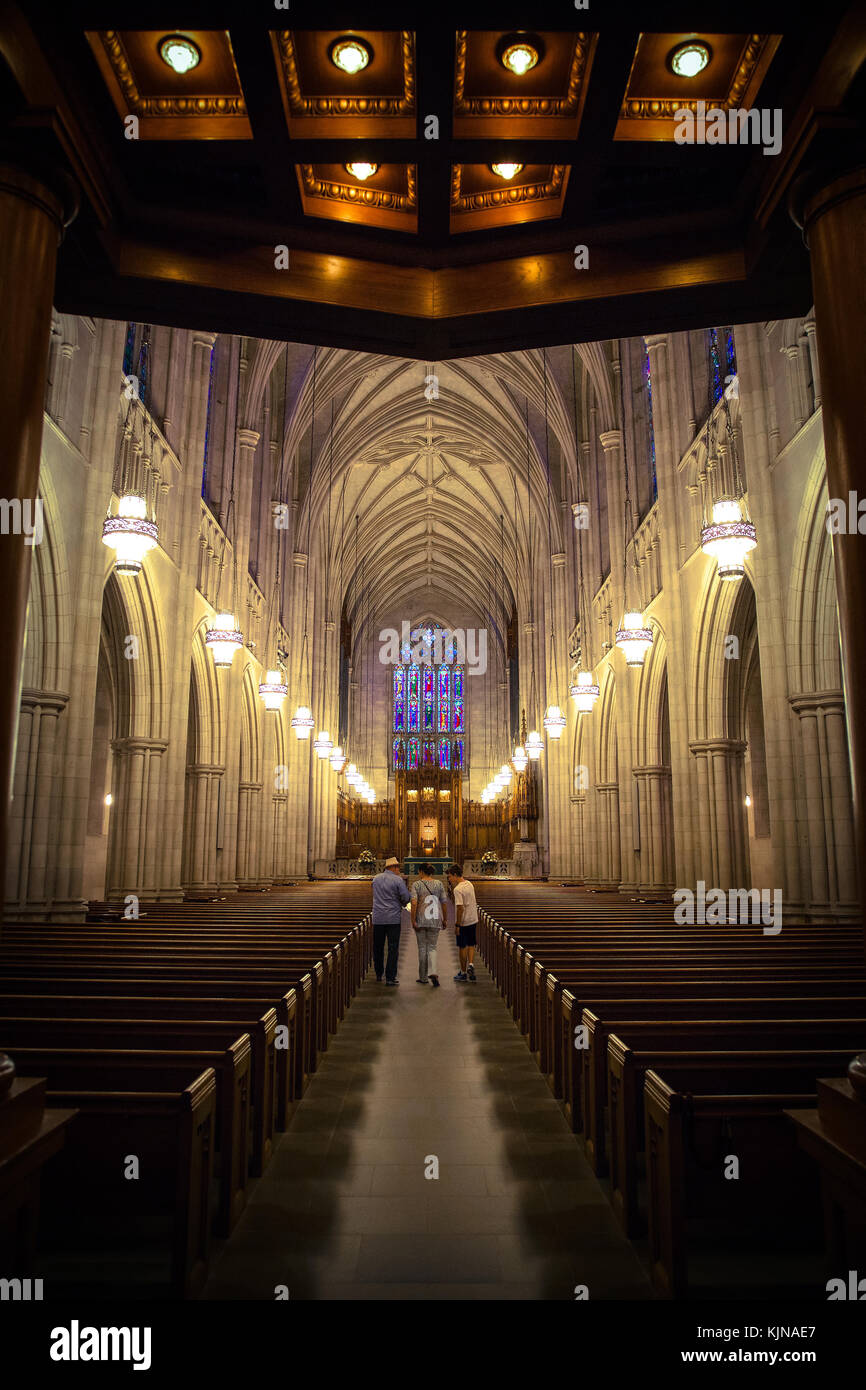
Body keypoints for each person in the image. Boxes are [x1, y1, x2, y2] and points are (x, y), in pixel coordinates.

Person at [371, 855, 410, 986]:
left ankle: (378, 973)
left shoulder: (375, 879)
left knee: (378, 947)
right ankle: (390, 977)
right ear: (392, 867)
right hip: (393, 918)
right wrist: (402, 902)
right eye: (397, 867)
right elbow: (405, 897)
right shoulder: (398, 880)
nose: (399, 869)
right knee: (393, 948)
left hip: (378, 918)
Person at [410, 864, 447, 987]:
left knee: (422, 948)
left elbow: (414, 903)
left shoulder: (417, 884)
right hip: (435, 919)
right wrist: (445, 919)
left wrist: (413, 919)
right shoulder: (439, 884)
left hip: (421, 918)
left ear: (421, 871)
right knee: (432, 947)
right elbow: (444, 903)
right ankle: (433, 971)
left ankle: (423, 977)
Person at [448, 863, 478, 982]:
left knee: (462, 946)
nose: (449, 879)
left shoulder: (458, 889)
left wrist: (457, 925)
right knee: (471, 944)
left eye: (450, 877)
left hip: (464, 922)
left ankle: (463, 972)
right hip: (473, 919)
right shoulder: (469, 884)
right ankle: (471, 964)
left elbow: (460, 908)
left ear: (455, 875)